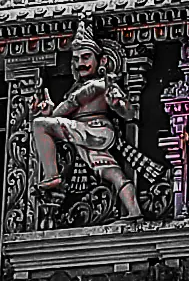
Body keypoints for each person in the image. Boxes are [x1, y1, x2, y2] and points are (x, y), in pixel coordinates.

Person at [31, 25, 144, 217]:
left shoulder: (98, 85)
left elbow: (128, 112)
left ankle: (52, 175)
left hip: (94, 130)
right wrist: (49, 112)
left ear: (102, 60)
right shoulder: (83, 87)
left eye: (85, 57)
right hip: (86, 134)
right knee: (114, 174)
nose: (79, 63)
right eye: (76, 59)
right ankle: (134, 213)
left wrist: (116, 104)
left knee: (39, 125)